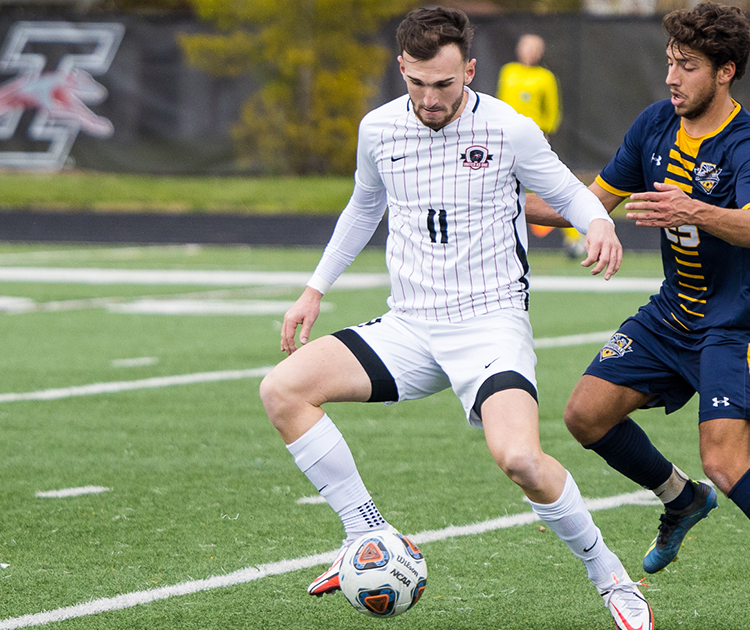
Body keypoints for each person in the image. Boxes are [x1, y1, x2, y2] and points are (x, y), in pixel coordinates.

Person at [259, 7, 652, 629]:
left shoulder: (507, 128)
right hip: (409, 327)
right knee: (282, 391)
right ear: (402, 69)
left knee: (519, 459)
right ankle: (368, 536)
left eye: (444, 84)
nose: (430, 97)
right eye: (417, 83)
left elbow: (571, 191)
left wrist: (598, 223)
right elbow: (363, 208)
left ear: (468, 70)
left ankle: (612, 579)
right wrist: (313, 290)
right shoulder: (379, 129)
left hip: (490, 326)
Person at [525, 4, 750, 630]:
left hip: (738, 323)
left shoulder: (746, 142)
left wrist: (696, 209)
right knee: (584, 414)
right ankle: (680, 499)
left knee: (726, 462)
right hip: (673, 314)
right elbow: (586, 201)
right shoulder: (654, 124)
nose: (672, 78)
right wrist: (500, 202)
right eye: (669, 63)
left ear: (726, 71)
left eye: (687, 66)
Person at [496, 34, 586, 258]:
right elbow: (498, 102)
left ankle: (575, 239)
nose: (530, 52)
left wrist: (543, 135)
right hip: (503, 140)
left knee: (551, 188)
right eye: (526, 47)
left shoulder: (546, 77)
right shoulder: (508, 71)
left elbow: (553, 110)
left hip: (533, 142)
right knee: (499, 188)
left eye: (535, 48)